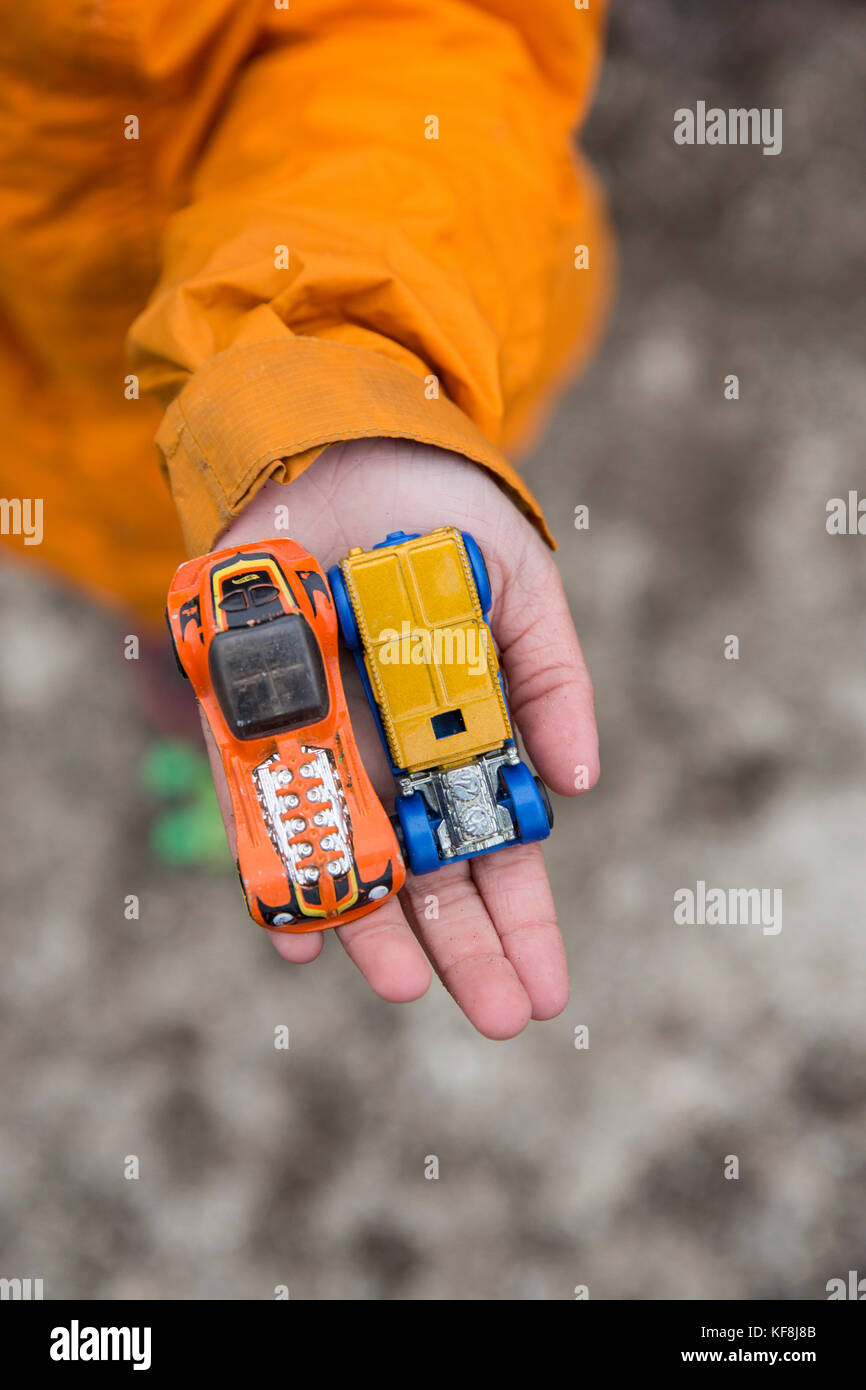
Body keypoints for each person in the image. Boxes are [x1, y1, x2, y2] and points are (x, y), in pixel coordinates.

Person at [0, 0, 613, 1038]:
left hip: (331, 342)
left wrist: (348, 372)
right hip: (51, 419)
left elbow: (422, 38)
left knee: (238, 563)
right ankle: (172, 657)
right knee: (150, 571)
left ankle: (189, 660)